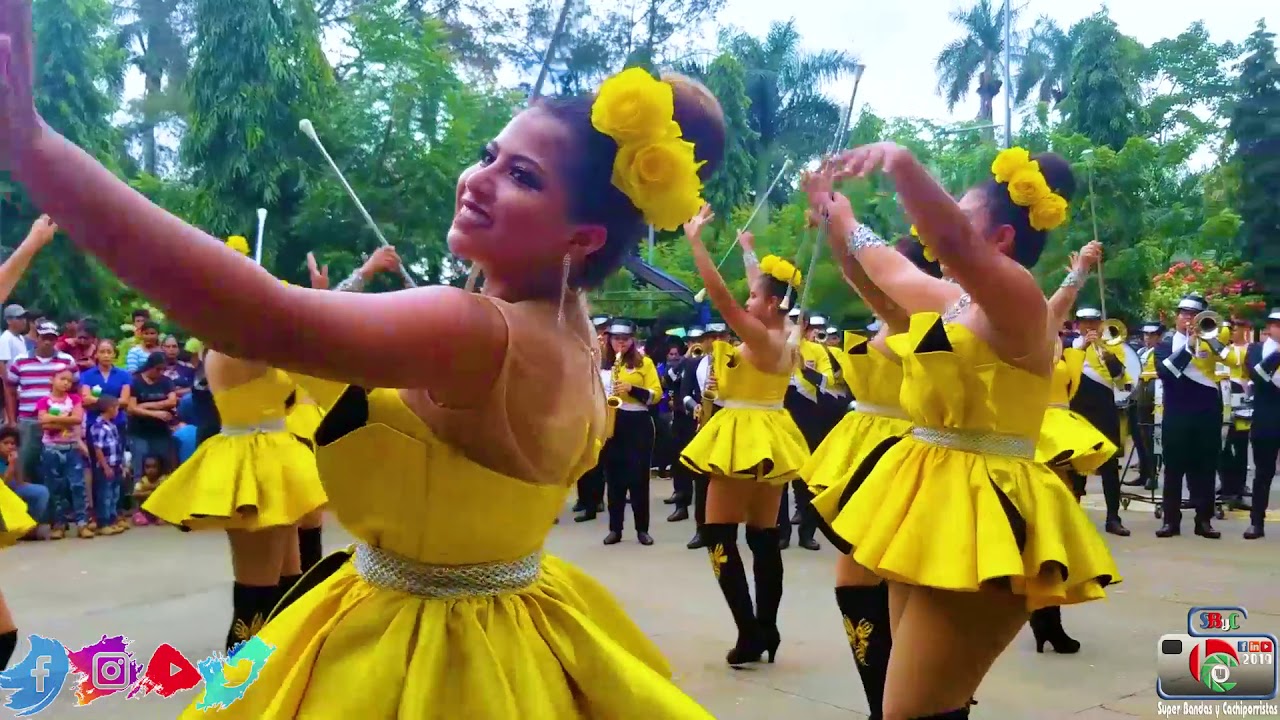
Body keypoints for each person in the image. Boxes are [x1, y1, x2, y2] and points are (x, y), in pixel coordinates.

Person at [1, 27, 722, 714]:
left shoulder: (474, 330)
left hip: (424, 652)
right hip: (513, 623)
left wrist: (35, 149)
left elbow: (258, 315)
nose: (478, 179)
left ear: (582, 237)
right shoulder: (570, 329)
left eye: (522, 176)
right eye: (490, 153)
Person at [806, 143, 1118, 719]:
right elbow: (881, 276)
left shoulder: (1020, 299)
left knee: (914, 711)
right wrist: (833, 214)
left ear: (997, 238)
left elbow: (946, 241)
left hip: (987, 507)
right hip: (932, 496)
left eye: (959, 208)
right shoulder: (953, 303)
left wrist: (898, 161)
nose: (936, 223)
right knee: (918, 704)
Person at [802, 233, 937, 719]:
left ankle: (901, 704)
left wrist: (841, 228)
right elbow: (857, 276)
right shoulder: (894, 316)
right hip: (868, 450)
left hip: (896, 451)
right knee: (869, 585)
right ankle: (896, 702)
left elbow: (859, 275)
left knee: (877, 585)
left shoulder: (916, 318)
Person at [680, 209, 810, 667]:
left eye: (756, 294)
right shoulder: (788, 332)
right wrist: (751, 252)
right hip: (771, 434)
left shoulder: (759, 336)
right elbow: (763, 292)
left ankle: (749, 630)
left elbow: (723, 300)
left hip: (743, 435)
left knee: (717, 533)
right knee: (763, 535)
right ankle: (766, 626)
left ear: (772, 303)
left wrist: (696, 242)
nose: (748, 297)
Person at [1154, 294, 1223, 539]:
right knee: (1173, 469)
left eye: (1193, 314)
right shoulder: (1165, 345)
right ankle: (1171, 521)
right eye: (1183, 313)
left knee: (1206, 467)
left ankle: (1204, 521)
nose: (1188, 318)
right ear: (1177, 317)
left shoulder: (1213, 342)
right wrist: (1190, 344)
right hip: (1177, 413)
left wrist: (1207, 337)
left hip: (1207, 413)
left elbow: (1227, 358)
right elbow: (1166, 373)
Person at [600, 318, 661, 546]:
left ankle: (642, 529)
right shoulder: (602, 363)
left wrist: (631, 389)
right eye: (616, 339)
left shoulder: (644, 363)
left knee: (638, 478)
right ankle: (615, 529)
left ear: (632, 340)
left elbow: (656, 394)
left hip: (637, 421)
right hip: (611, 421)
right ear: (610, 341)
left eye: (625, 340)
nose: (621, 344)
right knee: (613, 478)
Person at [36, 367, 87, 538]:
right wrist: (66, 420)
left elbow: (78, 419)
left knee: (77, 485)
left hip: (71, 447)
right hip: (51, 448)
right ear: (52, 379)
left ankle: (82, 523)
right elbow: (44, 425)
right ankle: (58, 523)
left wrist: (53, 419)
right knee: (55, 487)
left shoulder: (74, 399)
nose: (66, 383)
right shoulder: (44, 401)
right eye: (62, 379)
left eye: (69, 381)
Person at [1245, 309, 1280, 540]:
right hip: (1267, 417)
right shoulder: (1255, 350)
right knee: (1263, 473)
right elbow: (1259, 376)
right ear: (1269, 327)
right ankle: (1256, 522)